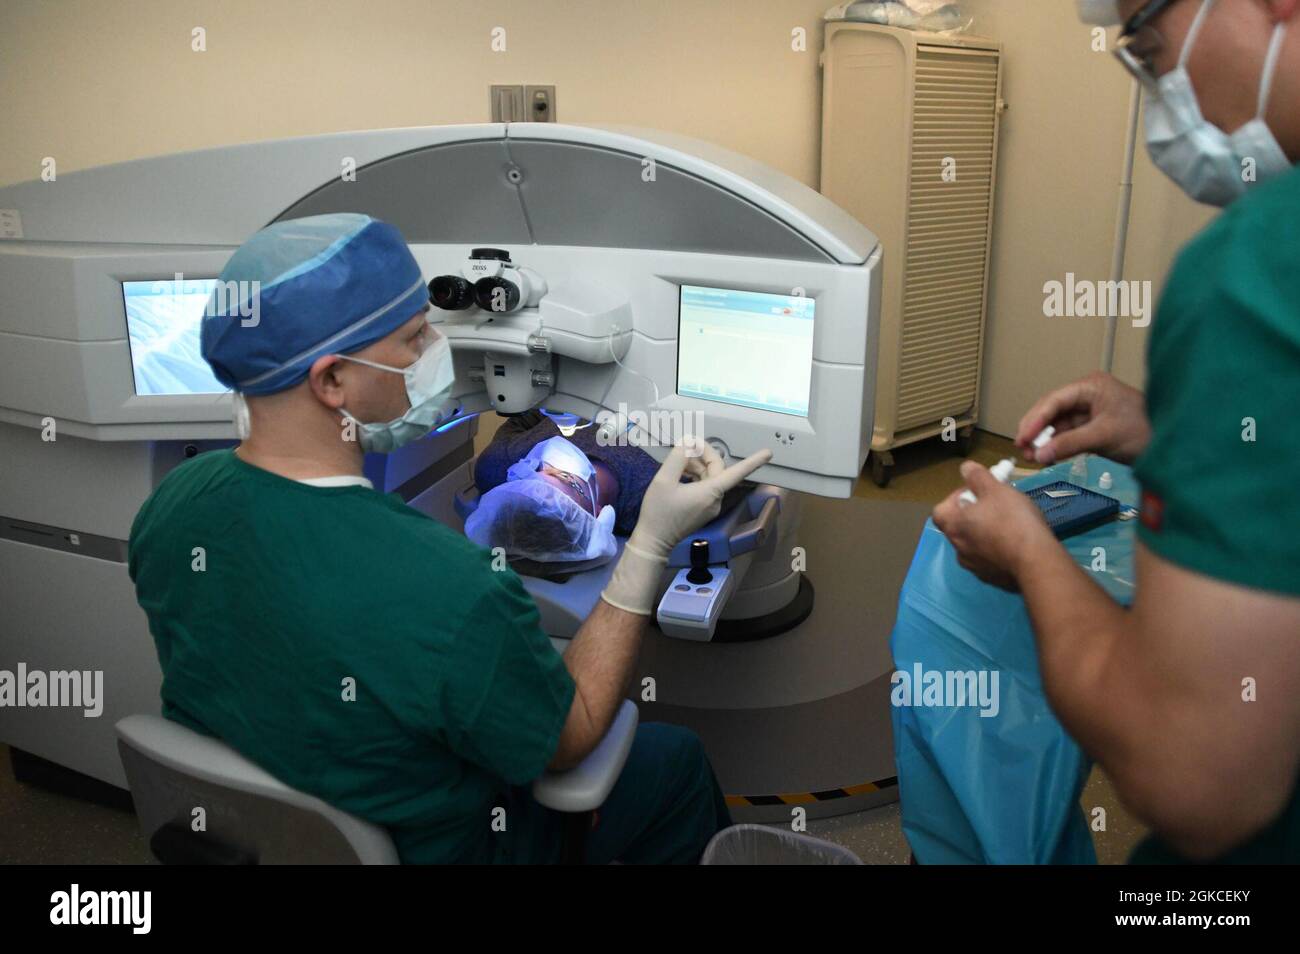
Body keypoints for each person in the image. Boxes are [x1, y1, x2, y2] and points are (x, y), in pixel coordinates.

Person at [128, 212, 772, 863]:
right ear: (331, 380)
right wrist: (651, 542)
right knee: (675, 759)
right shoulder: (450, 586)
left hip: (261, 837)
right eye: (414, 338)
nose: (437, 346)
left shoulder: (173, 506)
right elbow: (569, 736)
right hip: (456, 847)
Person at [934, 0, 1300, 862]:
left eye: (1147, 44)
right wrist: (1175, 428)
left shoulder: (1254, 273)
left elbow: (1191, 773)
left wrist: (1028, 556)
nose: (1164, 98)